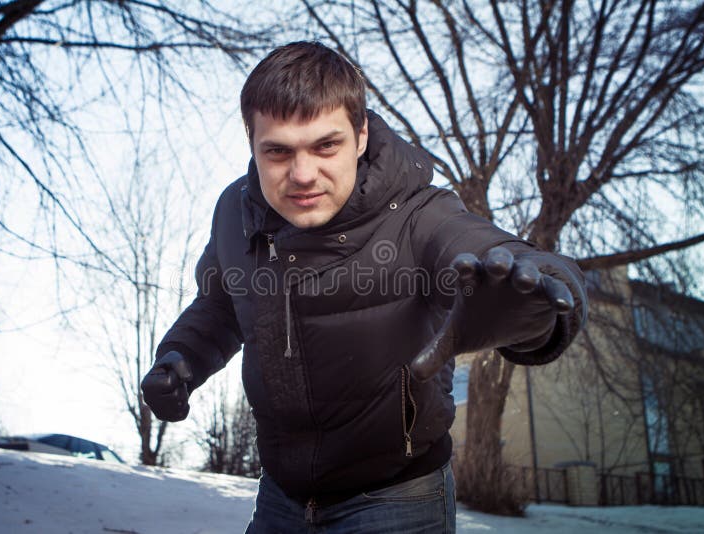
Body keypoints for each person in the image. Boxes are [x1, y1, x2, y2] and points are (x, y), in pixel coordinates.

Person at [141, 41, 587, 533]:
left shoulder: (422, 214)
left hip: (397, 496)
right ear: (252, 143)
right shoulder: (234, 212)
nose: (303, 174)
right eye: (278, 151)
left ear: (360, 135)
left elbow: (520, 261)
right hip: (280, 494)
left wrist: (540, 310)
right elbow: (221, 305)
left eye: (325, 145)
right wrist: (179, 358)